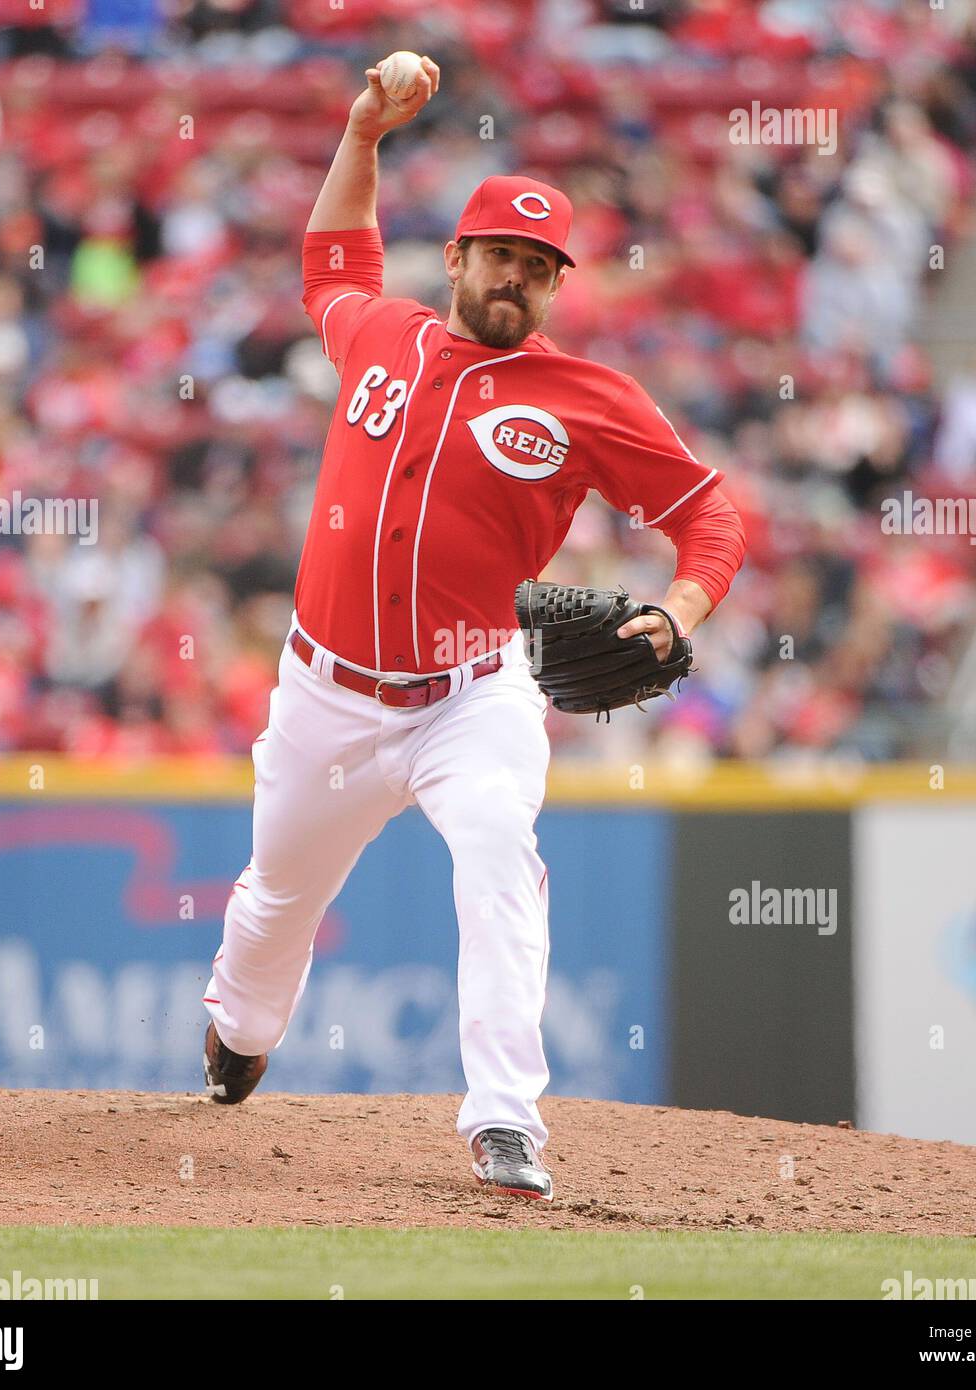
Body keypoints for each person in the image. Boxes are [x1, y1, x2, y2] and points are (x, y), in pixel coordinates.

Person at [201, 55, 746, 1201]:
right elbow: (329, 260)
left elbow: (708, 510)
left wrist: (680, 604)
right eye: (501, 254)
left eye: (539, 268)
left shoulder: (585, 399)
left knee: (501, 854)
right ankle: (241, 1033)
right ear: (455, 258)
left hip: (471, 694)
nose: (517, 279)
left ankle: (506, 1121)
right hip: (325, 696)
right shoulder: (376, 334)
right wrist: (362, 132)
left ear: (555, 287)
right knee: (269, 906)